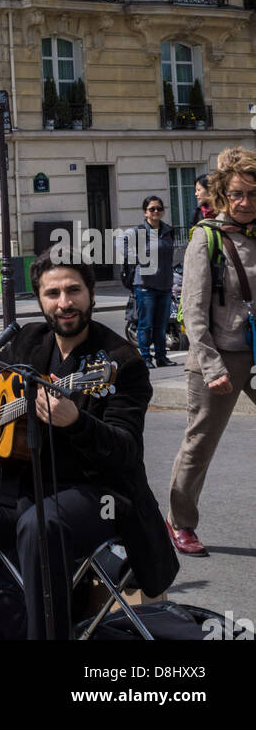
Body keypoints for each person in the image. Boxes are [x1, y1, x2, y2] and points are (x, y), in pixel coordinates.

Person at [0, 250, 178, 640]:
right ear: (39, 299)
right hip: (29, 487)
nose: (64, 302)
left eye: (74, 290)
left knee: (40, 526)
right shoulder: (28, 342)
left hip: (98, 496)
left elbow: (125, 452)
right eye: (52, 293)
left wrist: (77, 422)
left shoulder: (122, 361)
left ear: (90, 293)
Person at [167, 147, 256, 557]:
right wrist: (211, 366)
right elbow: (193, 310)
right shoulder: (206, 239)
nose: (245, 202)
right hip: (219, 357)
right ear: (223, 195)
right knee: (201, 442)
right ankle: (181, 522)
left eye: (253, 194)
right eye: (237, 194)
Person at [127, 196, 177, 369]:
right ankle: (146, 358)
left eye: (159, 208)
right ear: (145, 212)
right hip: (145, 286)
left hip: (165, 284)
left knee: (161, 325)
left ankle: (162, 358)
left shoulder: (168, 230)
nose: (156, 211)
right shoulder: (138, 231)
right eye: (152, 209)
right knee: (146, 325)